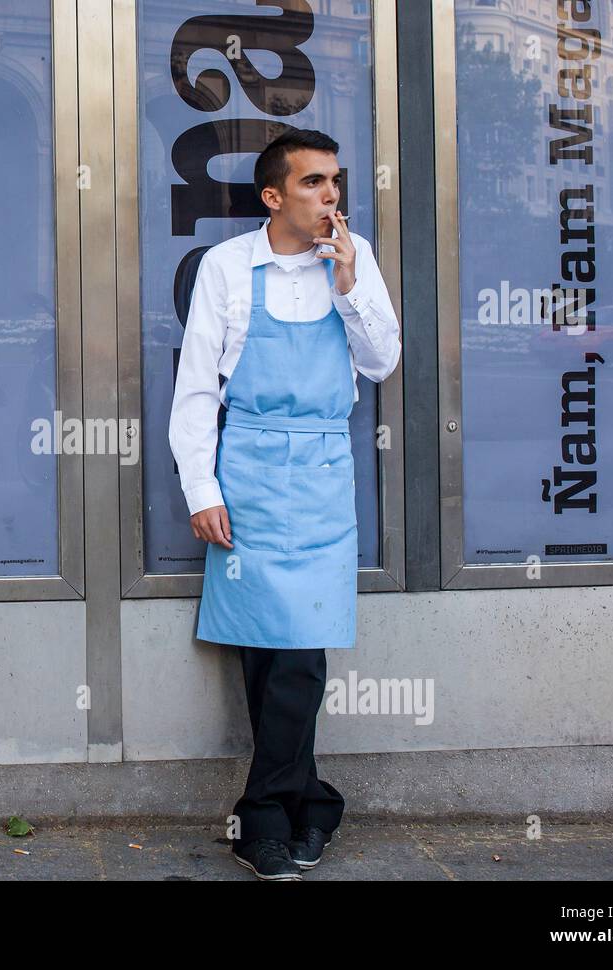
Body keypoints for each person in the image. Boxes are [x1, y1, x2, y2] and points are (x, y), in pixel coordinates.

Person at [168, 129, 401, 881]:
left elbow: (381, 361)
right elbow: (198, 385)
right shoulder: (227, 266)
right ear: (274, 197)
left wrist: (349, 286)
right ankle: (311, 802)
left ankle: (263, 815)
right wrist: (201, 488)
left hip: (325, 470)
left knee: (301, 650)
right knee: (263, 652)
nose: (330, 196)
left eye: (334, 181)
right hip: (251, 470)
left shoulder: (352, 258)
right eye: (312, 183)